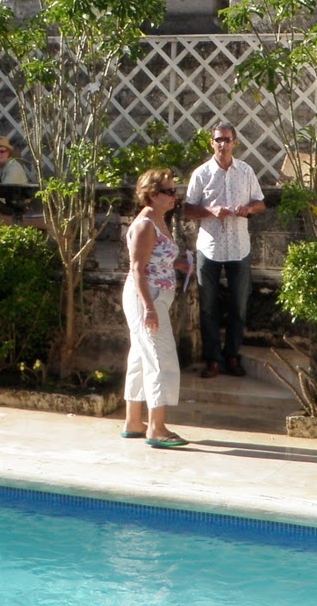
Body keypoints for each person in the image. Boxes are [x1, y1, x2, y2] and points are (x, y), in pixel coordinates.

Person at [183, 123, 265, 379]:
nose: (223, 144)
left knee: (238, 305)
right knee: (208, 307)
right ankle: (212, 359)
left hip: (239, 246)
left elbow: (261, 202)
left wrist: (248, 209)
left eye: (227, 140)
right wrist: (210, 211)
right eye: (218, 140)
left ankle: (231, 354)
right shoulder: (201, 173)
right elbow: (187, 209)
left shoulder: (245, 171)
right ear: (211, 143)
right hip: (210, 246)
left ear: (234, 142)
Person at [121, 168, 192, 447]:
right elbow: (137, 268)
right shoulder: (144, 224)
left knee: (140, 356)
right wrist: (149, 307)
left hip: (156, 294)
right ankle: (157, 427)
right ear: (152, 194)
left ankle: (133, 421)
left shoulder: (159, 220)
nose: (174, 196)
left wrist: (178, 264)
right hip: (146, 296)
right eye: (168, 191)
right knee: (160, 358)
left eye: (175, 190)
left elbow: (154, 259)